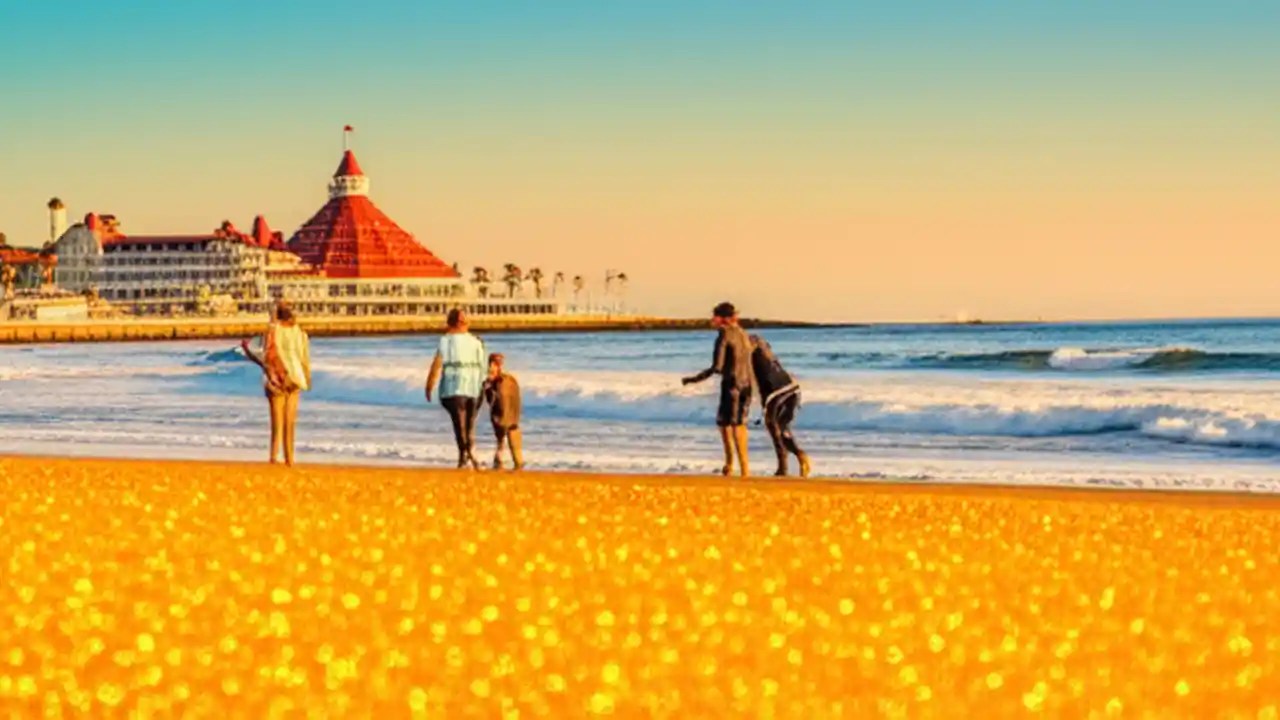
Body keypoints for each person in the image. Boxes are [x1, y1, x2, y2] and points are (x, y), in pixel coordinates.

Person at [682, 301, 755, 477]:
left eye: (715, 316)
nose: (712, 319)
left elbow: (717, 366)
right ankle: (740, 466)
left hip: (732, 384)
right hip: (748, 385)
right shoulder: (744, 334)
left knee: (726, 423)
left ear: (724, 319)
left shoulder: (724, 335)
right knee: (740, 423)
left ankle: (734, 465)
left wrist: (694, 379)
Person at [241, 301, 311, 466]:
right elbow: (304, 360)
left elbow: (265, 353)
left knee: (276, 422)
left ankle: (273, 456)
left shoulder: (272, 331)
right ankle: (290, 459)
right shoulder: (301, 334)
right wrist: (306, 379)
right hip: (295, 377)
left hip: (275, 377)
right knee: (290, 422)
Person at [425, 309, 486, 470]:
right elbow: (483, 367)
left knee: (459, 423)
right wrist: (485, 387)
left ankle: (464, 455)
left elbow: (437, 364)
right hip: (474, 387)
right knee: (469, 423)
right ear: (465, 324)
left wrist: (429, 385)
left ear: (450, 323)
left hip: (453, 387)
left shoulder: (446, 341)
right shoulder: (476, 342)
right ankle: (469, 452)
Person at [749, 334, 811, 477]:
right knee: (781, 427)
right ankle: (799, 455)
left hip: (775, 391)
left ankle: (783, 467)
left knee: (772, 425)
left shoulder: (749, 347)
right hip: (792, 387)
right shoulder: (762, 344)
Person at [481, 353, 524, 470]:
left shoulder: (500, 381)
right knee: (512, 431)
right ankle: (516, 460)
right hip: (512, 414)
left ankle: (501, 460)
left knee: (503, 435)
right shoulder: (510, 379)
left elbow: (496, 400)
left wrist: (488, 387)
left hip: (504, 413)